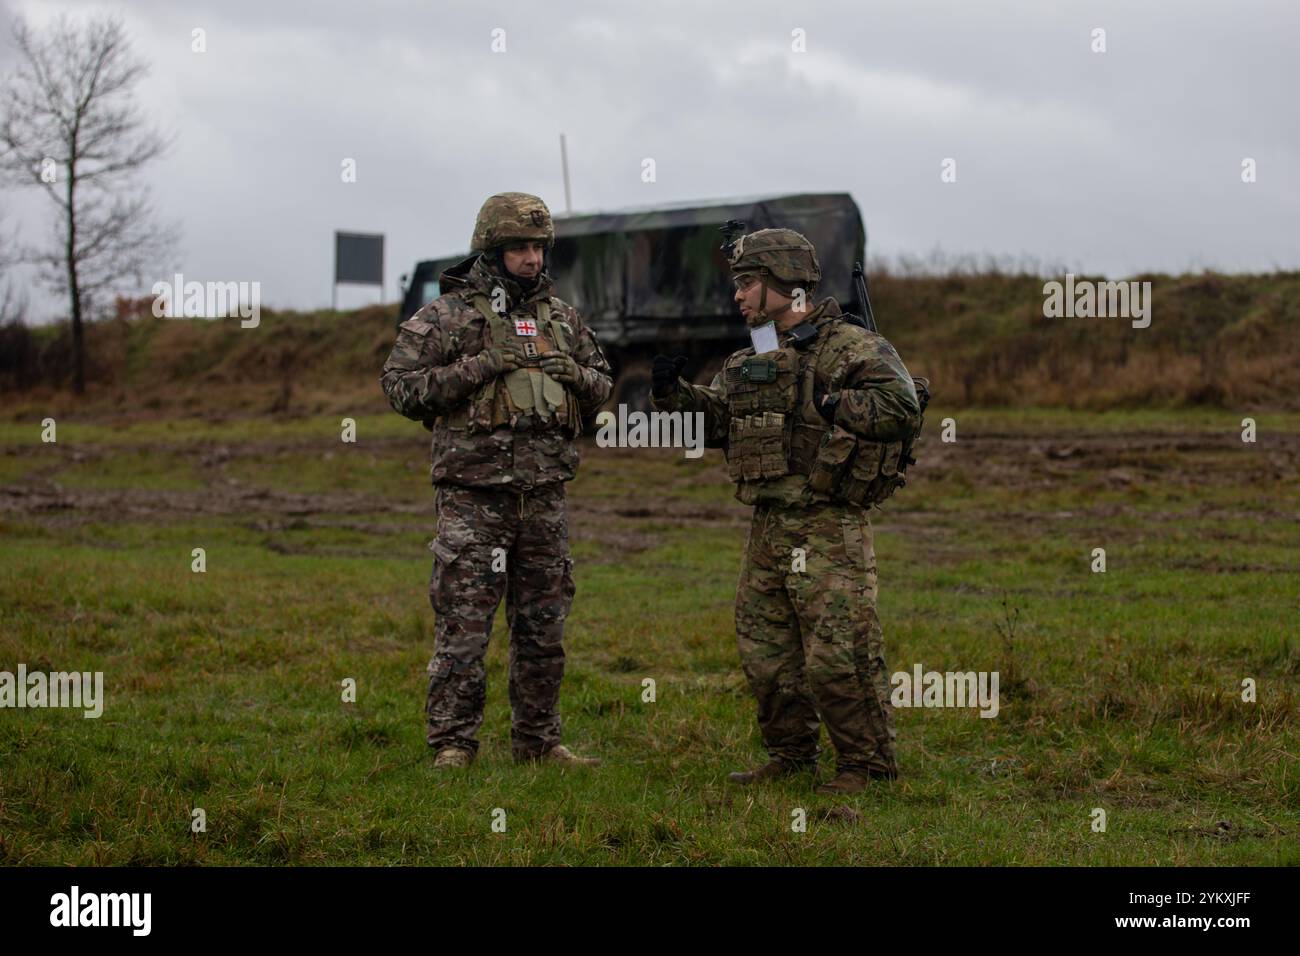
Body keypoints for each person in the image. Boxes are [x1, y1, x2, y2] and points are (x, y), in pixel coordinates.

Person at [650, 228, 925, 794]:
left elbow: (901, 404)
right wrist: (674, 395)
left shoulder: (852, 346)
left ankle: (868, 767)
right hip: (769, 525)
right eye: (738, 284)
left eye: (748, 283)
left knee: (838, 652)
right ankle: (790, 755)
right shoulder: (757, 352)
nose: (739, 296)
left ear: (785, 284)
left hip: (829, 526)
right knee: (766, 651)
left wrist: (833, 402)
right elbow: (720, 419)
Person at [380, 192, 612, 768]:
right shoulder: (446, 316)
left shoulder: (562, 318)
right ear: (491, 249)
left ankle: (538, 743)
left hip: (544, 499)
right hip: (474, 500)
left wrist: (576, 374)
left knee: (544, 629)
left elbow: (603, 385)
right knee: (464, 628)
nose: (532, 259)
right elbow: (401, 388)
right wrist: (483, 364)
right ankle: (453, 745)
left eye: (538, 247)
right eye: (518, 248)